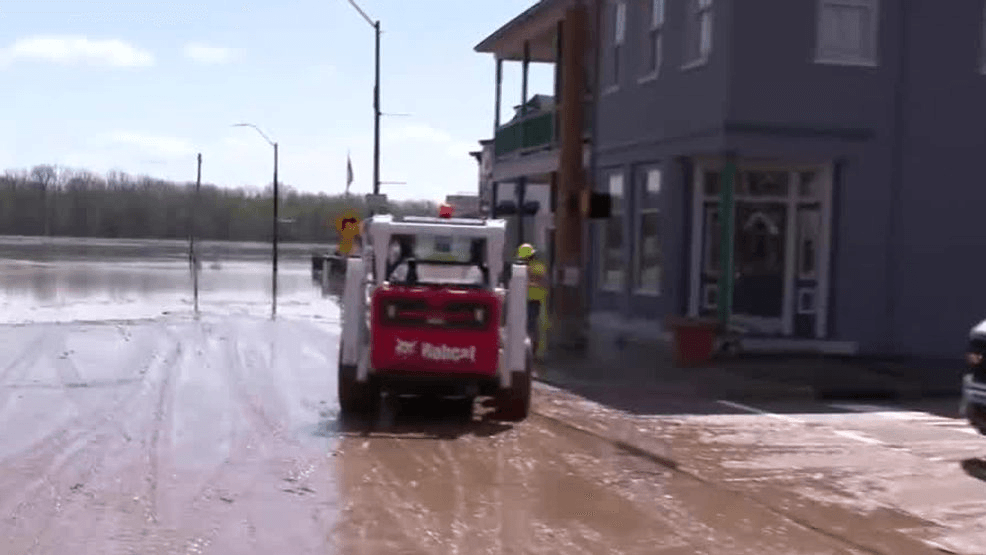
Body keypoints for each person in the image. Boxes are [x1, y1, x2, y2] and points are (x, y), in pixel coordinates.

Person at [517, 243, 548, 359]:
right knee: (528, 327)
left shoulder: (537, 267)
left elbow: (544, 282)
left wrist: (529, 281)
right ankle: (528, 352)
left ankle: (532, 353)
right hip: (525, 300)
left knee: (531, 328)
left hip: (534, 301)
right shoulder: (531, 267)